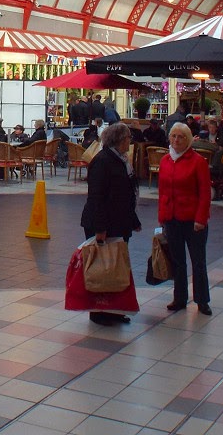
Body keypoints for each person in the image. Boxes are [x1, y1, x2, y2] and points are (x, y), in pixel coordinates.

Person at [80, 122, 141, 326]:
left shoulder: (122, 160)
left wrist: (133, 220)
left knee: (116, 268)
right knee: (102, 268)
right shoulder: (102, 161)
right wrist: (100, 229)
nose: (129, 142)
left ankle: (113, 309)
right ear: (118, 140)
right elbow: (96, 197)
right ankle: (99, 311)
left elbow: (126, 194)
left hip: (119, 222)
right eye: (127, 139)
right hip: (105, 224)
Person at [158, 122, 212, 315]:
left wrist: (201, 219)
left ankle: (202, 300)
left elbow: (205, 193)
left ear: (188, 140)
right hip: (172, 218)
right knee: (178, 261)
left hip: (193, 220)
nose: (176, 140)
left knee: (198, 261)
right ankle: (179, 297)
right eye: (173, 136)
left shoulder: (198, 161)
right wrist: (162, 216)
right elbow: (163, 191)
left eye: (180, 137)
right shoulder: (165, 160)